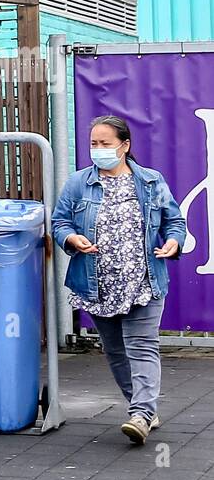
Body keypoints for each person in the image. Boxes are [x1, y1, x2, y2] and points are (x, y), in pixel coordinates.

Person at [51, 116, 187, 444]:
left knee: (141, 346)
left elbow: (175, 220)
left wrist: (173, 242)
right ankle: (144, 408)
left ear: (124, 146)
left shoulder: (151, 181)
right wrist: (71, 239)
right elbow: (59, 221)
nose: (97, 150)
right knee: (114, 350)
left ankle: (140, 414)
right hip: (97, 282)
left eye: (105, 143)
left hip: (143, 280)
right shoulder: (77, 184)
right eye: (93, 144)